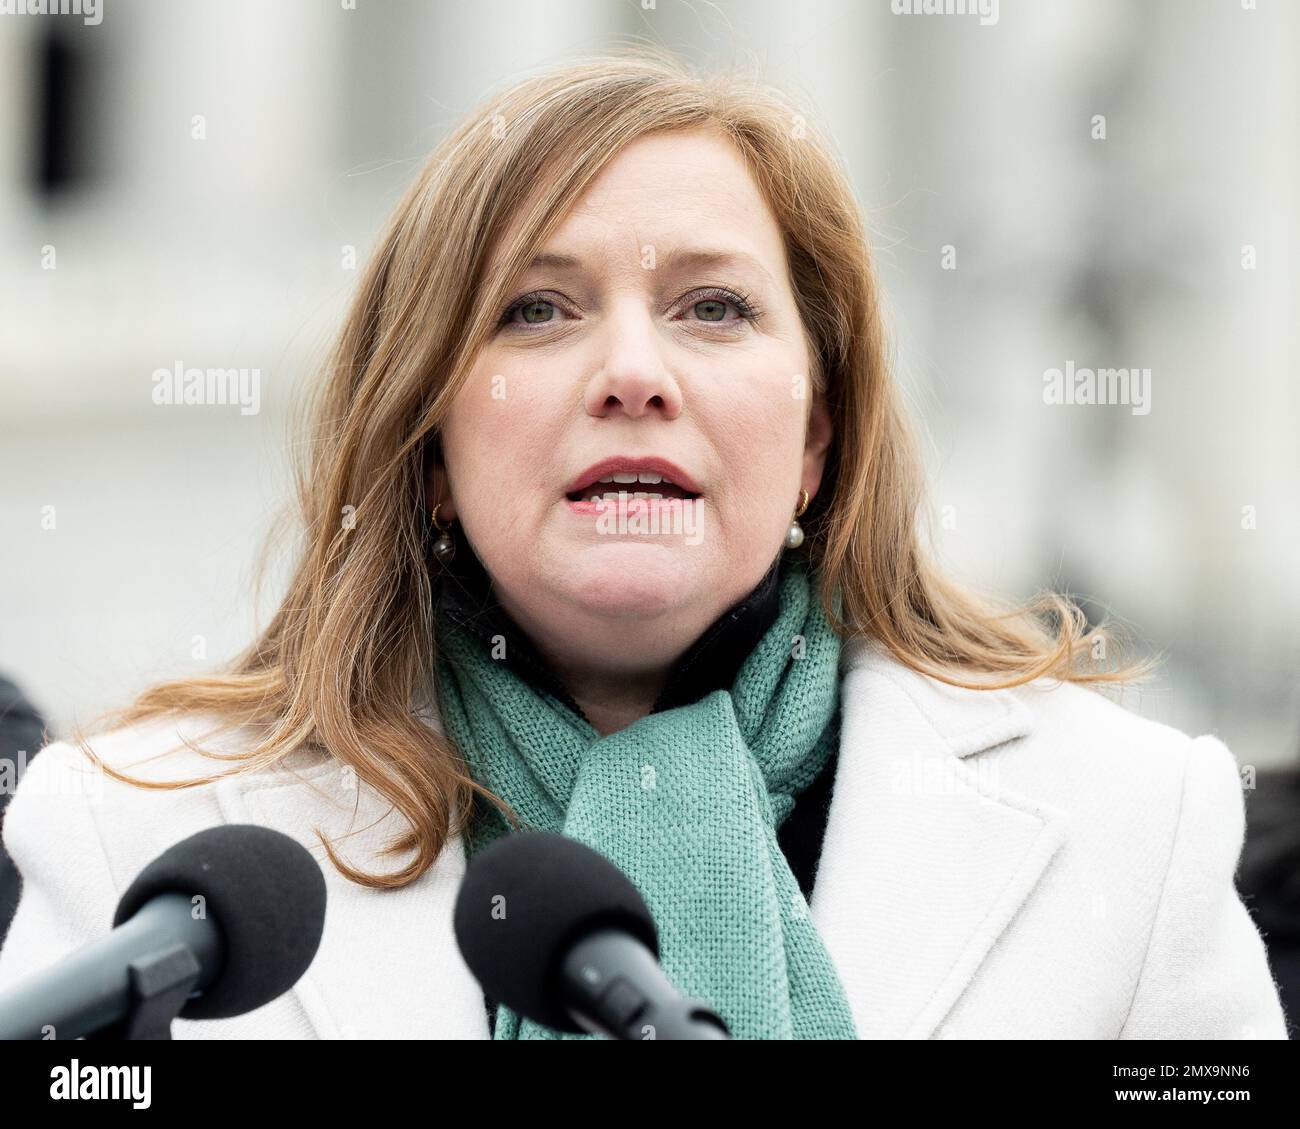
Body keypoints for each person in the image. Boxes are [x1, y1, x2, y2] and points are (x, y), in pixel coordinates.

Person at [0, 49, 1288, 1040]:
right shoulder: (136, 833)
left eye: (713, 309)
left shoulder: (1128, 818)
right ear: (431, 446)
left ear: (818, 443)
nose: (632, 373)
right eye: (539, 310)